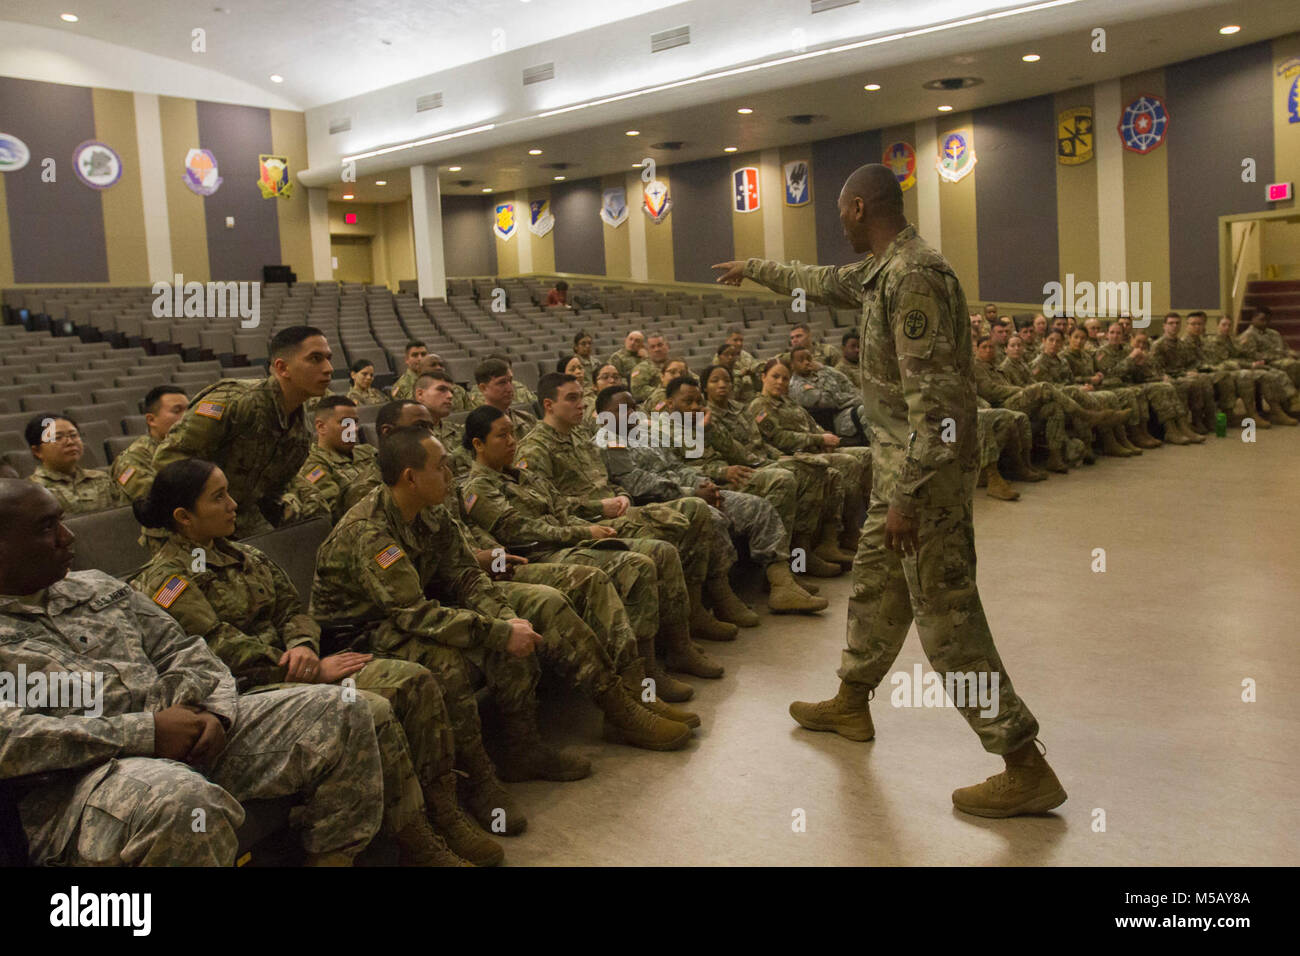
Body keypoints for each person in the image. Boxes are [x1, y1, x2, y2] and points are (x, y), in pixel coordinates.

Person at [712, 162, 1065, 818]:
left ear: (856, 209)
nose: (837, 224)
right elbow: (817, 280)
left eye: (839, 213)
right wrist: (755, 268)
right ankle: (851, 702)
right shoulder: (881, 272)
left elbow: (940, 403)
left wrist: (907, 497)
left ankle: (1022, 760)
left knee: (948, 622)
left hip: (920, 481)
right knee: (876, 586)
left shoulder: (914, 277)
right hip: (898, 473)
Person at [0, 479, 384, 866]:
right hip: (81, 787)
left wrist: (211, 712)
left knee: (341, 710)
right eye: (46, 528)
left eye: (61, 522)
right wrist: (147, 732)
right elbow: (9, 739)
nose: (68, 537)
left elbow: (185, 649)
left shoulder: (97, 587)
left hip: (182, 735)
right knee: (183, 804)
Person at [130, 459, 487, 865]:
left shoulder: (245, 555)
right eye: (219, 497)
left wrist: (301, 644)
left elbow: (293, 610)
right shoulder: (165, 579)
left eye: (230, 492)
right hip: (242, 693)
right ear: (183, 517)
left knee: (414, 682)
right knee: (372, 708)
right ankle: (411, 835)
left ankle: (443, 809)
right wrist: (301, 667)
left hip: (297, 670)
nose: (233, 504)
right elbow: (215, 646)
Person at [313, 428, 691, 787]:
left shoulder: (432, 509)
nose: (450, 472)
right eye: (442, 465)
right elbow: (414, 614)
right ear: (411, 477)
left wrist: (509, 619)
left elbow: (466, 576)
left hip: (420, 607)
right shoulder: (370, 533)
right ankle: (478, 780)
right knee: (475, 650)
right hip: (366, 635)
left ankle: (613, 707)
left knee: (542, 603)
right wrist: (499, 631)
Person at [459, 405, 706, 721]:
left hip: (566, 541)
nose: (511, 441)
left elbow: (562, 507)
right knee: (629, 567)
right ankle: (633, 693)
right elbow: (515, 530)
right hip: (535, 554)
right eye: (501, 435)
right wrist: (581, 530)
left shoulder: (522, 474)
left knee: (650, 558)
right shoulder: (478, 486)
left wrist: (598, 517)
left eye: (512, 433)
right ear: (478, 444)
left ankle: (650, 673)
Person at [516, 372, 737, 660]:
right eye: (571, 398)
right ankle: (662, 652)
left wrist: (622, 495)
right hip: (588, 524)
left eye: (580, 397)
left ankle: (694, 614)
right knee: (662, 551)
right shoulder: (535, 449)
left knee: (694, 508)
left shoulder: (580, 438)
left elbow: (611, 481)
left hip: (618, 511)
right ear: (548, 404)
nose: (580, 404)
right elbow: (544, 507)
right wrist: (600, 507)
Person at [597, 383, 827, 618]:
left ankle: (782, 583)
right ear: (604, 415)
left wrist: (702, 483)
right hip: (656, 504)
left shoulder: (644, 434)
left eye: (633, 407)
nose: (631, 413)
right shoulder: (608, 440)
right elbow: (638, 483)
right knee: (711, 517)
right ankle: (722, 597)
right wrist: (691, 492)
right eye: (623, 409)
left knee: (758, 507)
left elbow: (676, 466)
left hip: (693, 488)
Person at [152, 325, 333, 538]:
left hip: (241, 519)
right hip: (188, 523)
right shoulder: (235, 402)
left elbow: (272, 491)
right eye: (315, 359)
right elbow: (168, 460)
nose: (328, 368)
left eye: (329, 358)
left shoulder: (301, 430)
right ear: (283, 368)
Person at [696, 363, 852, 575]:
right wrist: (725, 470)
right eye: (715, 380)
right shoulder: (702, 416)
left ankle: (805, 555)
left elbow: (758, 443)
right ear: (704, 387)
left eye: (726, 380)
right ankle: (786, 570)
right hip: (740, 471)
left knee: (823, 472)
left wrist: (780, 457)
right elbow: (715, 458)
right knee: (792, 476)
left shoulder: (739, 409)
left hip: (759, 461)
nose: (722, 384)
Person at [747, 359, 872, 529]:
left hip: (816, 449)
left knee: (866, 454)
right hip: (795, 455)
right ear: (763, 377)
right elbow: (779, 438)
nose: (780, 382)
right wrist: (818, 439)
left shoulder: (790, 403)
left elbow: (812, 425)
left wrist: (825, 435)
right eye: (775, 377)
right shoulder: (760, 405)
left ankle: (871, 518)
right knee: (849, 463)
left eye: (785, 379)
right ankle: (847, 530)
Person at [1094, 323, 1200, 444]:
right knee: (1138, 392)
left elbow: (1139, 375)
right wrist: (1131, 359)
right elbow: (1112, 373)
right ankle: (1140, 433)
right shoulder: (1102, 352)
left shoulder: (1127, 350)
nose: (1115, 336)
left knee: (1164, 387)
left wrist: (1142, 364)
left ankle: (1177, 427)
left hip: (1131, 383)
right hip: (1113, 385)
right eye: (1112, 332)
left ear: (1123, 335)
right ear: (1107, 334)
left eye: (1118, 333)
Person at [291, 395, 379, 524]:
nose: (353, 429)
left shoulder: (367, 451)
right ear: (321, 427)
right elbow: (337, 515)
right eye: (346, 423)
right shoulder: (314, 465)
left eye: (355, 422)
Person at [1199, 313, 1300, 425]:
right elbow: (1227, 362)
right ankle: (1252, 413)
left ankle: (1277, 410)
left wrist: (1253, 363)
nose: (1227, 327)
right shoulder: (1213, 341)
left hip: (1236, 367)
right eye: (1224, 325)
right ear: (1217, 325)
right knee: (1247, 375)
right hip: (1223, 370)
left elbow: (1240, 356)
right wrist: (1250, 365)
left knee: (1269, 374)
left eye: (1229, 325)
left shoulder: (1231, 340)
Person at [25, 414, 129, 515]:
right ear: (37, 451)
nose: (70, 442)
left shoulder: (101, 478)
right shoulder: (33, 490)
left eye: (74, 435)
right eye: (58, 437)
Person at [111, 386, 189, 500]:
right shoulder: (133, 459)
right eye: (177, 411)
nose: (186, 416)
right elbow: (157, 501)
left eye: (189, 410)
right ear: (151, 420)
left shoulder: (192, 446)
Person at [787, 345, 869, 444]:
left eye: (809, 359)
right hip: (830, 423)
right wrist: (852, 400)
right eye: (801, 360)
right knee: (865, 411)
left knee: (872, 407)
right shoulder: (797, 386)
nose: (807, 362)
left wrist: (823, 368)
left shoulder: (819, 373)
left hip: (844, 412)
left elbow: (846, 384)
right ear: (792, 365)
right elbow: (829, 402)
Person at [1152, 313, 1216, 434]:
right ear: (1164, 326)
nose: (1174, 326)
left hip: (1182, 374)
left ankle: (1201, 420)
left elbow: (1190, 363)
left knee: (1203, 379)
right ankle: (1184, 424)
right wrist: (1168, 376)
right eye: (1171, 323)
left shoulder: (1182, 344)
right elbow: (1156, 368)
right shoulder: (1158, 345)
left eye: (1177, 323)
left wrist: (1191, 371)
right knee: (1188, 384)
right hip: (1167, 377)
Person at [471, 357, 537, 440]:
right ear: (483, 388)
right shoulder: (476, 427)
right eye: (502, 383)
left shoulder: (527, 419)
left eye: (510, 381)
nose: (510, 388)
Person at [1236, 305, 1300, 388]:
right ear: (1253, 319)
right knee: (1291, 364)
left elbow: (1286, 348)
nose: (1265, 323)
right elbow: (1253, 356)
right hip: (1266, 363)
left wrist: (1293, 354)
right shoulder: (1248, 336)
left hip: (1281, 358)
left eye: (1267, 320)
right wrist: (1278, 356)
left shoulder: (1274, 333)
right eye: (1262, 320)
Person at [629, 333, 671, 403]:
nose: (657, 349)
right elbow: (637, 391)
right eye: (652, 347)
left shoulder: (676, 364)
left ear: (667, 346)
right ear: (647, 350)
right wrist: (666, 392)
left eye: (660, 345)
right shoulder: (641, 368)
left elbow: (693, 379)